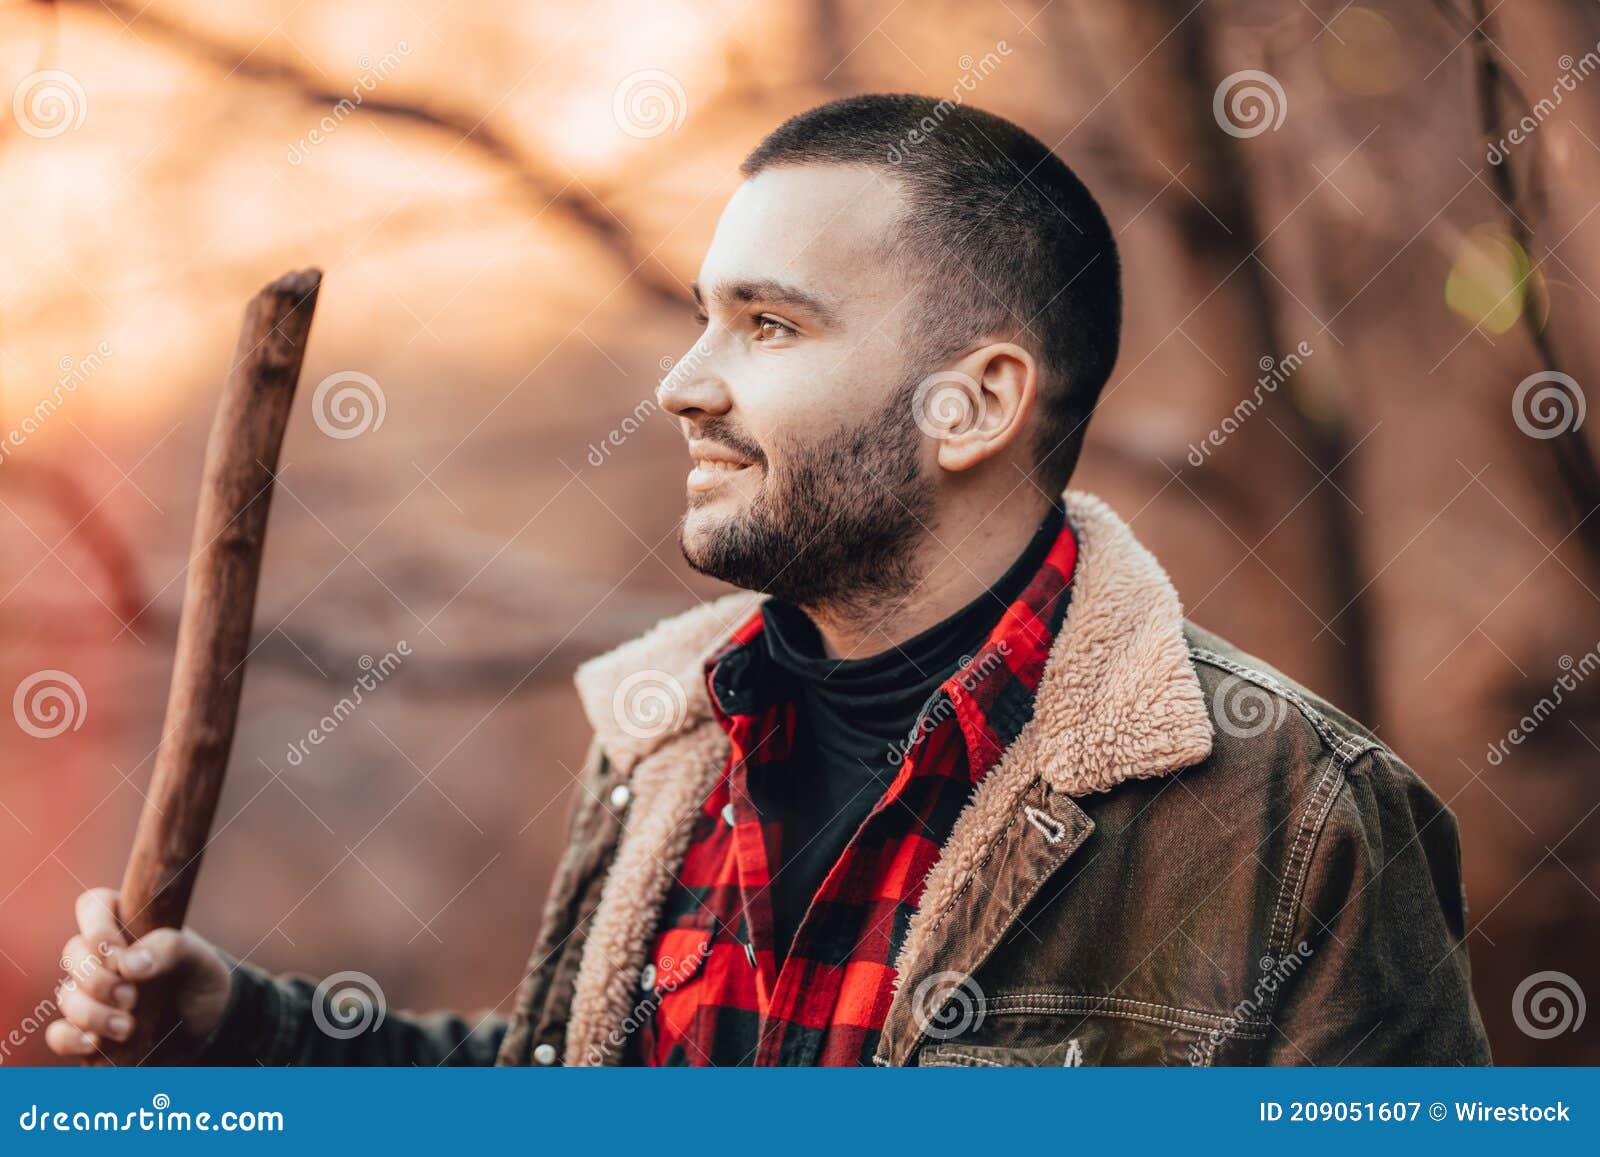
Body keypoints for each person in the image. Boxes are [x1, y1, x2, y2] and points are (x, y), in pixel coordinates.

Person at [47, 93, 1490, 1067]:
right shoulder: (668, 742)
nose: (684, 384)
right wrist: (248, 1024)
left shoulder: (1297, 822)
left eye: (769, 326)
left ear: (974, 405)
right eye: (700, 319)